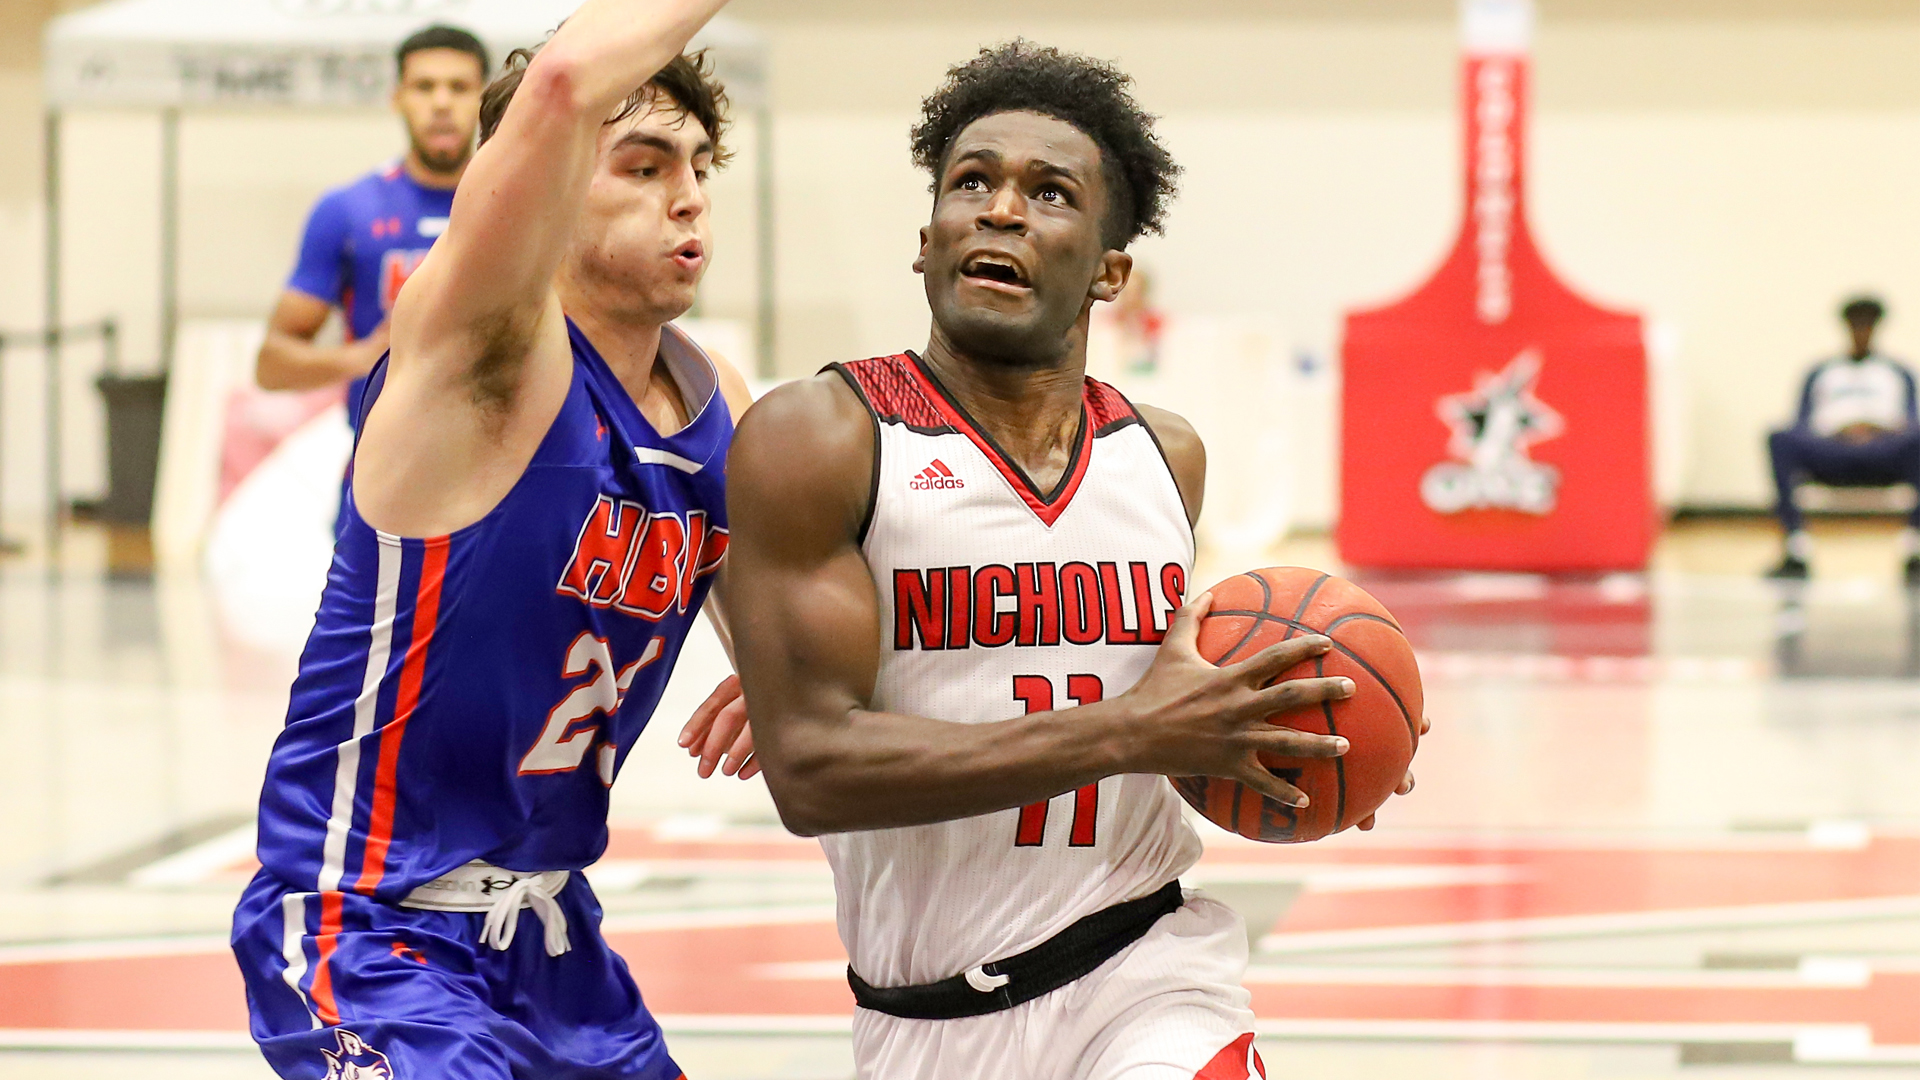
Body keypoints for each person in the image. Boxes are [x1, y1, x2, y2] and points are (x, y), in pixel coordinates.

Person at [726, 42, 1422, 1080]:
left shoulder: (1165, 456)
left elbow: (1184, 693)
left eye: (1049, 193)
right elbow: (813, 774)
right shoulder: (824, 436)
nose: (1000, 210)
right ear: (927, 241)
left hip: (1146, 981)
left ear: (1108, 270)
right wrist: (1130, 733)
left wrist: (1336, 736)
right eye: (972, 182)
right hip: (922, 1021)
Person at [230, 2, 759, 1077]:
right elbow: (562, 86)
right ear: (552, 187)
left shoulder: (720, 408)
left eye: (700, 164)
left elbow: (802, 659)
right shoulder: (491, 349)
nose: (689, 194)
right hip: (368, 928)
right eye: (645, 164)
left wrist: (796, 673)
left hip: (556, 939)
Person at [257, 24, 490, 428]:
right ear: (397, 98)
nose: (441, 102)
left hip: (494, 472)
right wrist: (365, 356)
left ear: (483, 98)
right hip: (377, 471)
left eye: (458, 87)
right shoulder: (348, 211)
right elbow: (271, 365)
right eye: (423, 87)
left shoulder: (518, 206)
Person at [1767, 295, 1920, 582]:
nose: (1861, 331)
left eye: (1867, 325)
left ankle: (1915, 549)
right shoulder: (1821, 372)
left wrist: (1875, 429)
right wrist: (1841, 431)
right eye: (1855, 325)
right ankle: (1796, 548)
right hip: (1831, 450)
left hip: (1883, 450)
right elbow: (1801, 422)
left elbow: (1911, 421)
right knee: (1780, 438)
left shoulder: (1897, 373)